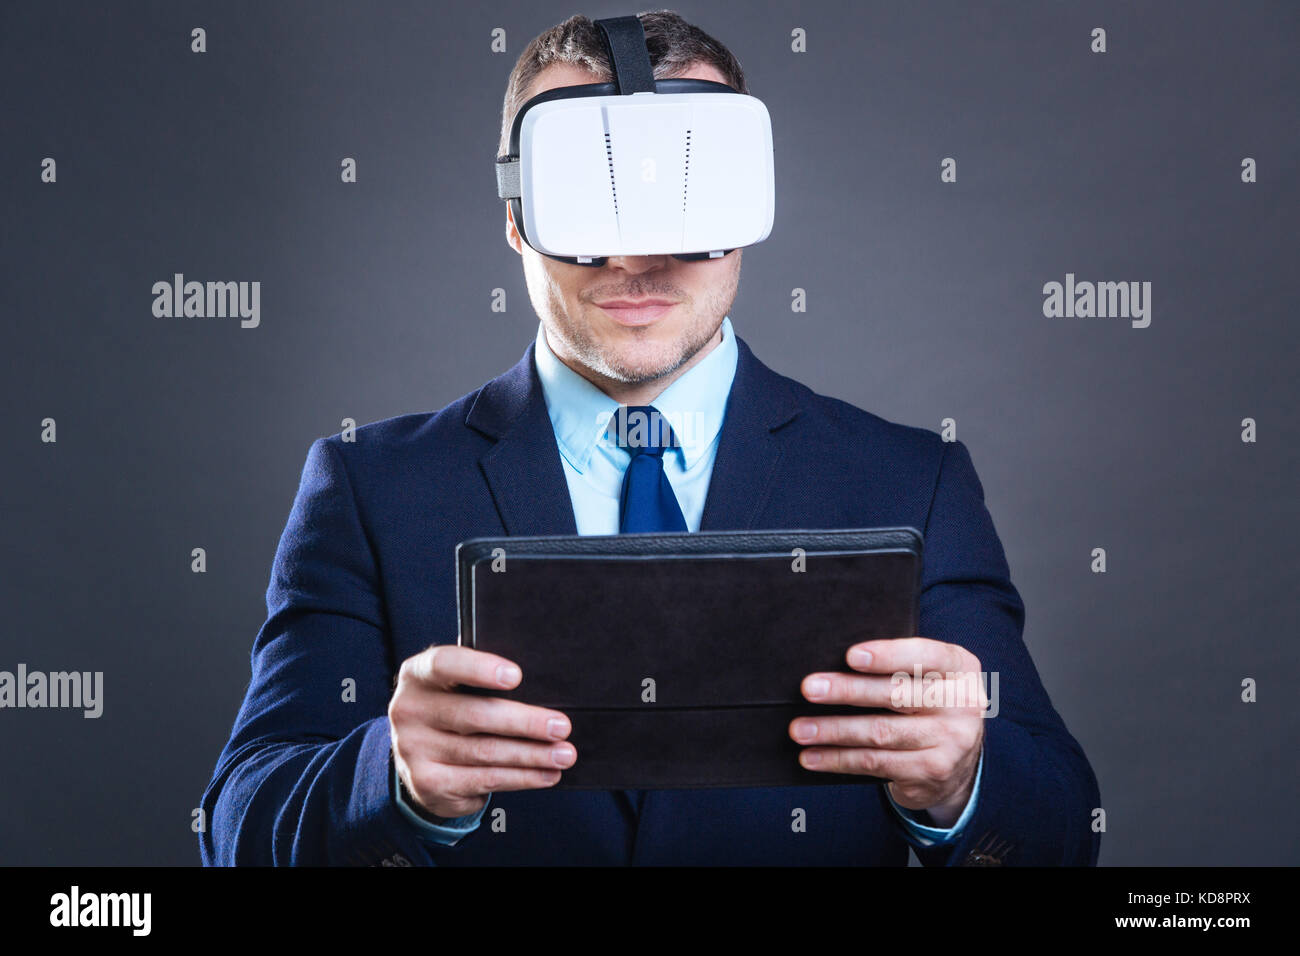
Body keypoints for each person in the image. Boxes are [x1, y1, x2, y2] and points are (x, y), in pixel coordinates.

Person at [199, 11, 1100, 867]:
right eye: (593, 204)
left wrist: (961, 778)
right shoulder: (370, 489)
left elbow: (1064, 830)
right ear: (515, 214)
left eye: (683, 195)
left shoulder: (912, 481)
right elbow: (238, 829)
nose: (636, 257)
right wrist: (388, 778)